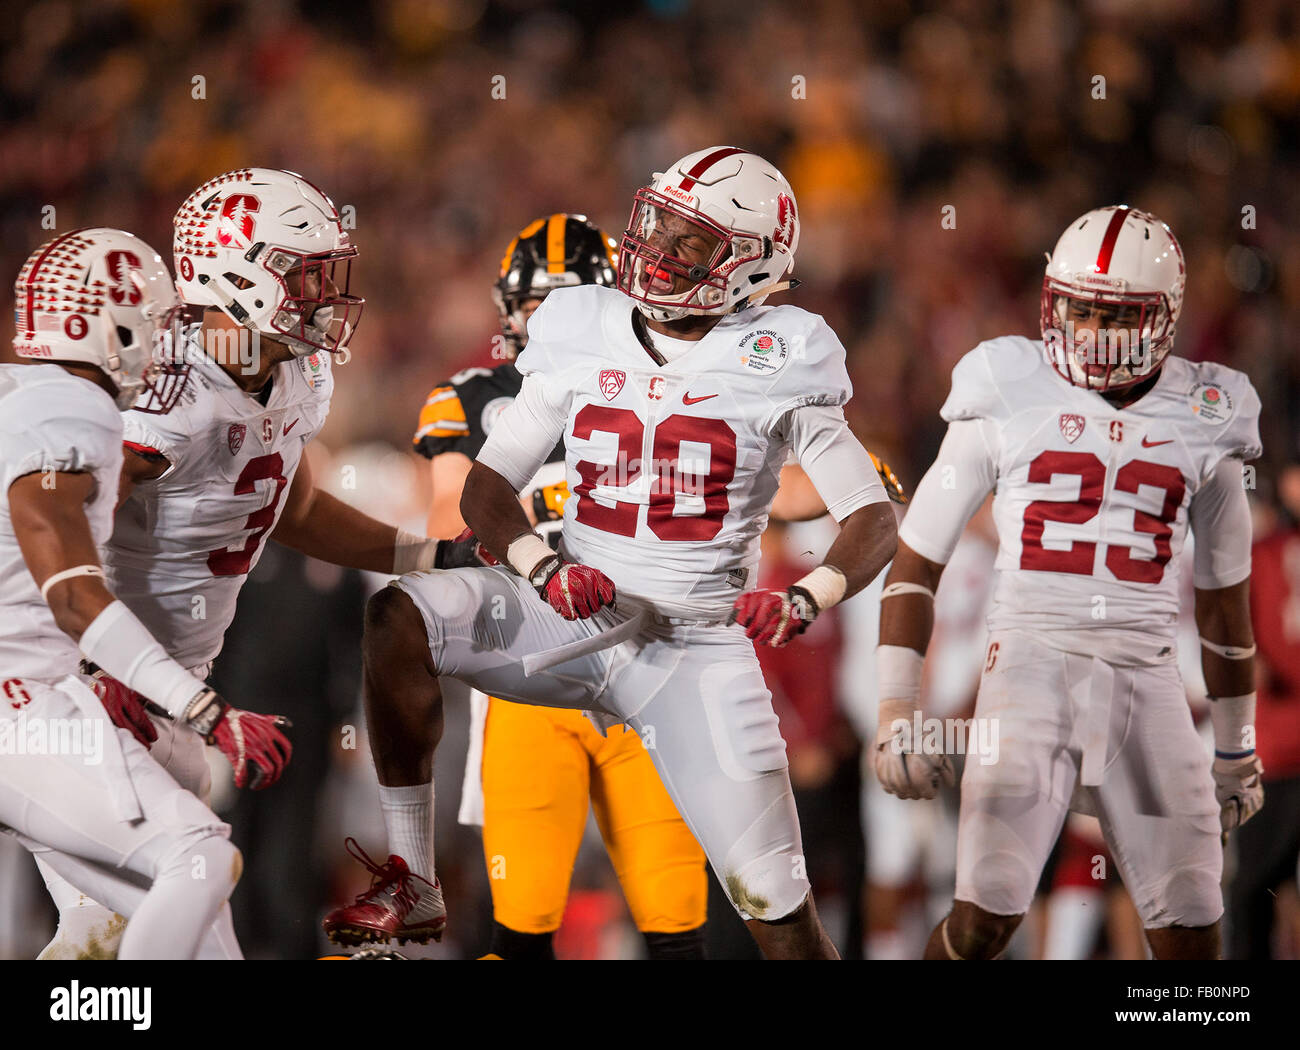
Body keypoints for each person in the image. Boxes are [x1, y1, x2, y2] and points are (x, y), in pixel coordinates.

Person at [325, 146, 897, 959]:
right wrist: (544, 567)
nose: (657, 248)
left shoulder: (786, 353)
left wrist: (810, 594)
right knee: (397, 616)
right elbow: (487, 491)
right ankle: (412, 878)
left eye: (689, 241)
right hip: (570, 611)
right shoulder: (580, 323)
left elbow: (872, 517)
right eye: (656, 223)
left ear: (749, 263)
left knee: (779, 918)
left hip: (693, 647)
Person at [35, 169, 456, 960]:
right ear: (235, 277)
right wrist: (90, 668)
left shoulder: (294, 371)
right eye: (304, 274)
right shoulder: (167, 387)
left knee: (182, 932)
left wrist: (425, 553)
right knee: (121, 930)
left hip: (165, 692)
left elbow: (288, 510)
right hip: (88, 693)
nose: (325, 294)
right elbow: (51, 535)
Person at [875, 205, 1263, 960]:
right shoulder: (1006, 381)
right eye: (1077, 307)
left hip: (1146, 680)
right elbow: (918, 558)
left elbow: (1224, 607)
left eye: (1112, 314)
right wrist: (897, 708)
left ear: (1163, 319)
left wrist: (1236, 746)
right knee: (983, 921)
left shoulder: (1211, 411)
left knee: (1191, 935)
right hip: (1027, 666)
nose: (1088, 329)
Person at [405, 213, 708, 960]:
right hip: (526, 674)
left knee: (679, 924)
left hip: (650, 668)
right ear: (509, 308)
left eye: (569, 300)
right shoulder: (470, 397)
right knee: (524, 925)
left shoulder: (669, 385)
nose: (549, 320)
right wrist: (547, 508)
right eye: (537, 302)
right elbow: (449, 515)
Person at [1, 228, 271, 958]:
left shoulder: (18, 395)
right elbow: (72, 595)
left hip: (42, 699)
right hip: (21, 708)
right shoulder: (75, 410)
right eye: (153, 326)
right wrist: (204, 709)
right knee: (199, 856)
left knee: (201, 932)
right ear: (111, 328)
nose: (162, 347)